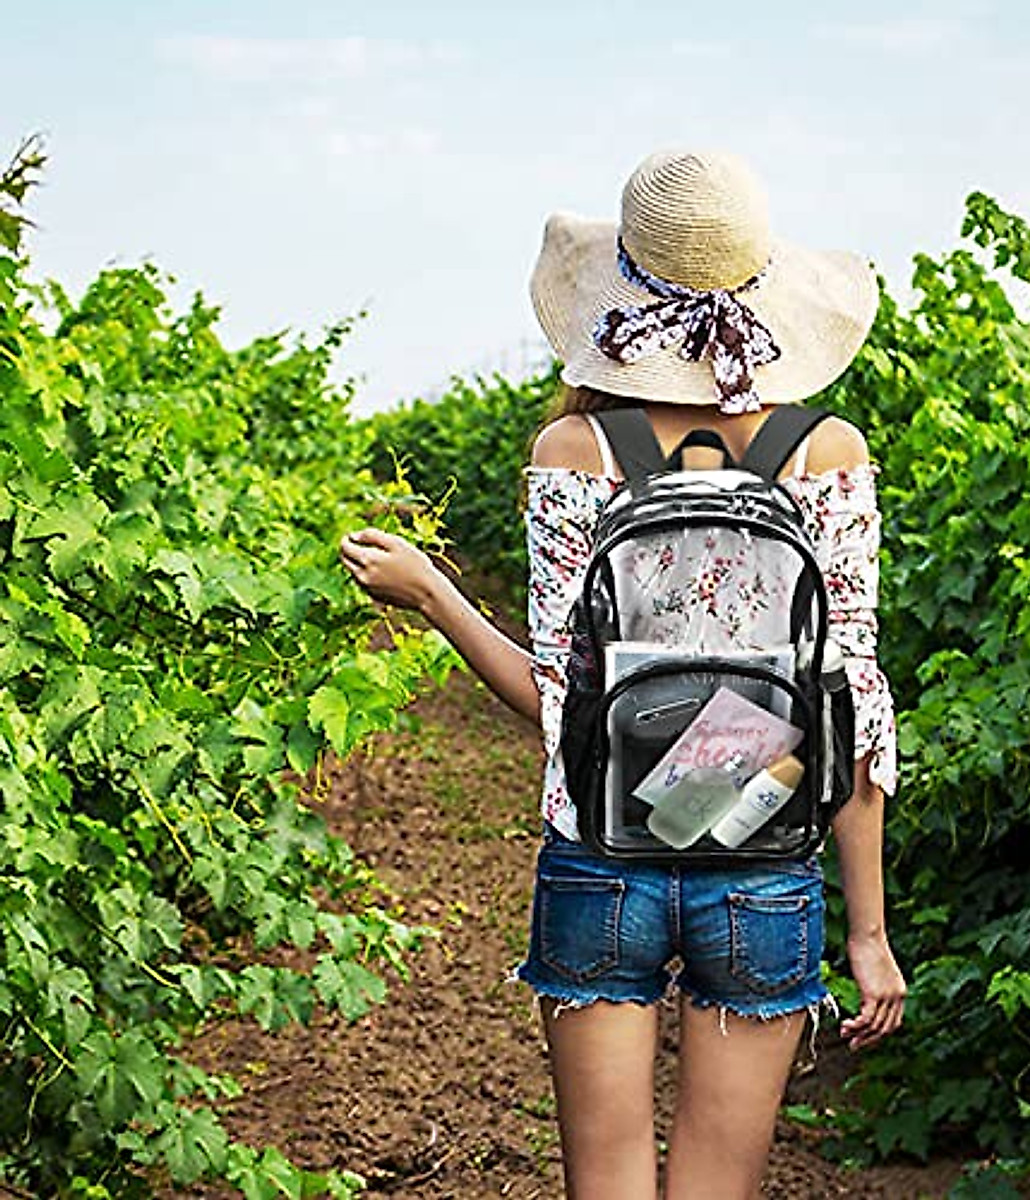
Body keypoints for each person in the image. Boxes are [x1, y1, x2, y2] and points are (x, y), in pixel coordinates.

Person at [340, 148, 906, 1200]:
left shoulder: (576, 448)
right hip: (762, 854)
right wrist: (867, 934)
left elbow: (559, 702)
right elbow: (852, 701)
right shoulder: (826, 450)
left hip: (604, 852)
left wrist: (434, 594)